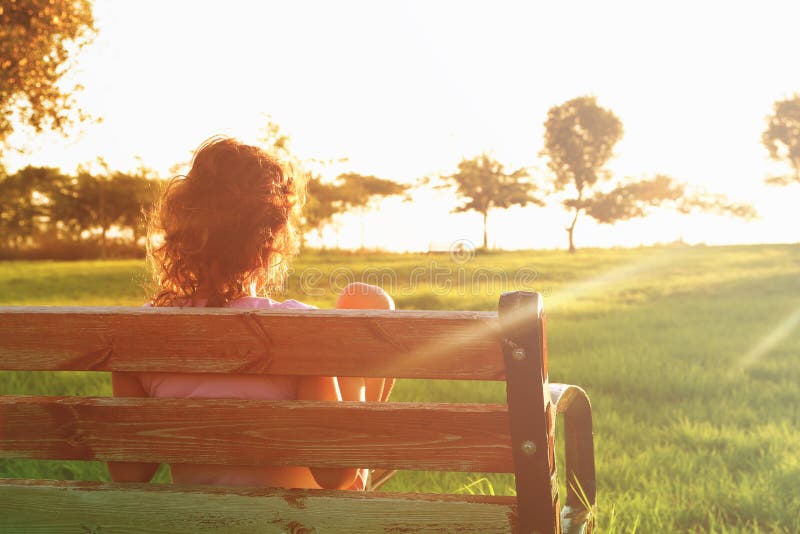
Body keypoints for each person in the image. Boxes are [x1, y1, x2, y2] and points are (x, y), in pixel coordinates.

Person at [108, 136, 394, 490]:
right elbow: (334, 475)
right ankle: (372, 450)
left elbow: (129, 473)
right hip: (297, 524)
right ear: (273, 238)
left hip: (192, 522)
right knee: (367, 302)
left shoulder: (139, 333)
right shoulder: (299, 329)